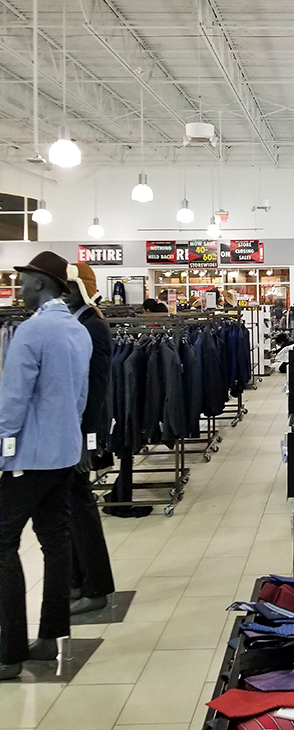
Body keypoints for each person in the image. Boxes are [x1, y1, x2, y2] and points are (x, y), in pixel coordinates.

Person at [0, 252, 91, 679]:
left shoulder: (31, 332)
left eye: (23, 281)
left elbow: (13, 401)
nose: (19, 289)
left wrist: (1, 449)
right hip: (63, 453)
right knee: (55, 543)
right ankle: (49, 638)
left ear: (41, 282)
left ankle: (8, 650)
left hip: (29, 458)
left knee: (3, 542)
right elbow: (80, 397)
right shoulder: (77, 331)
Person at [63, 262, 116, 615]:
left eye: (66, 289)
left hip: (81, 432)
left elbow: (96, 388)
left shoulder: (92, 326)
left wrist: (88, 438)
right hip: (70, 432)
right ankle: (77, 580)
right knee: (70, 508)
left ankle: (94, 586)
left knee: (80, 509)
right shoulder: (79, 323)